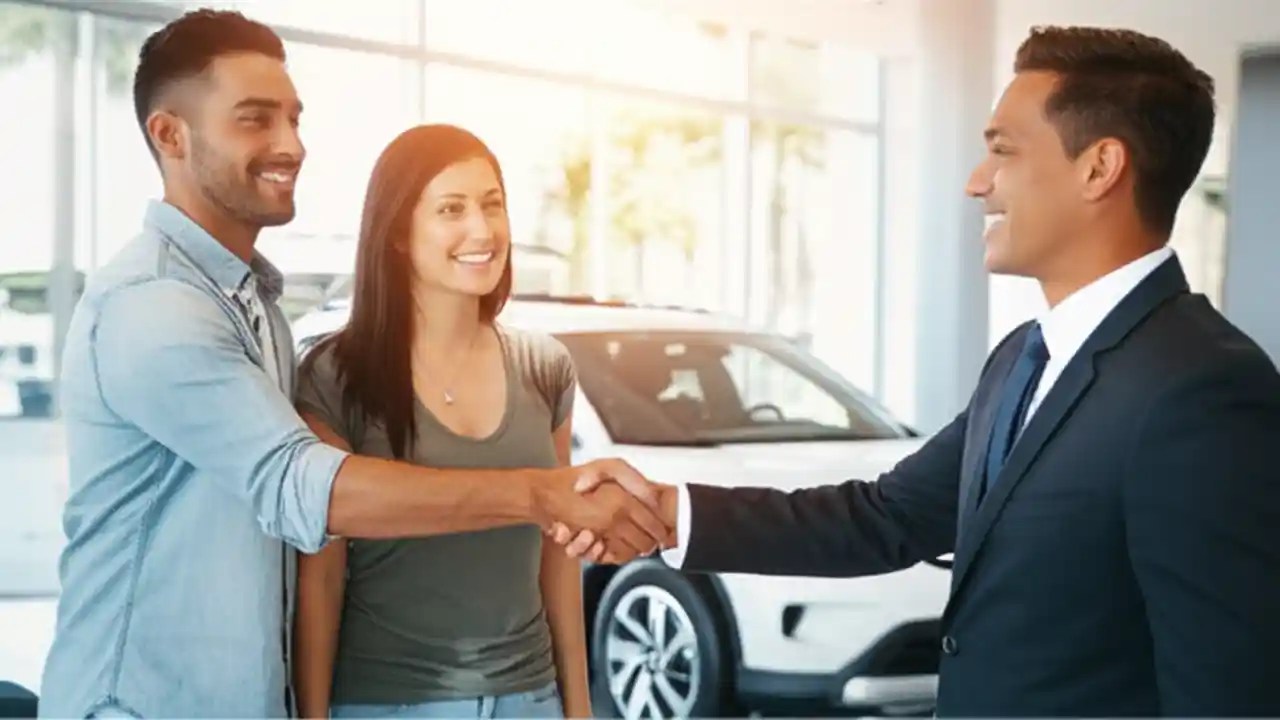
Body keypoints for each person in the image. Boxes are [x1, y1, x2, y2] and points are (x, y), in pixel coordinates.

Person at [560, 25, 1280, 717]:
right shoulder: (1024, 357)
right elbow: (888, 516)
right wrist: (666, 513)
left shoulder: (1205, 391)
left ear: (1099, 167)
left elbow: (1229, 691)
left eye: (1002, 151)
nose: (977, 183)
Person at [39, 11, 665, 719]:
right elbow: (307, 492)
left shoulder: (253, 304)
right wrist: (539, 493)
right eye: (254, 120)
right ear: (170, 135)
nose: (290, 144)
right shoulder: (154, 308)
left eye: (293, 118)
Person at [291, 125, 591, 719]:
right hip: (387, 702)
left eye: (492, 204)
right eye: (451, 209)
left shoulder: (545, 367)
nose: (481, 230)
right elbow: (319, 583)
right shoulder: (333, 375)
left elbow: (558, 559)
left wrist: (577, 708)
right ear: (398, 232)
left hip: (529, 700)